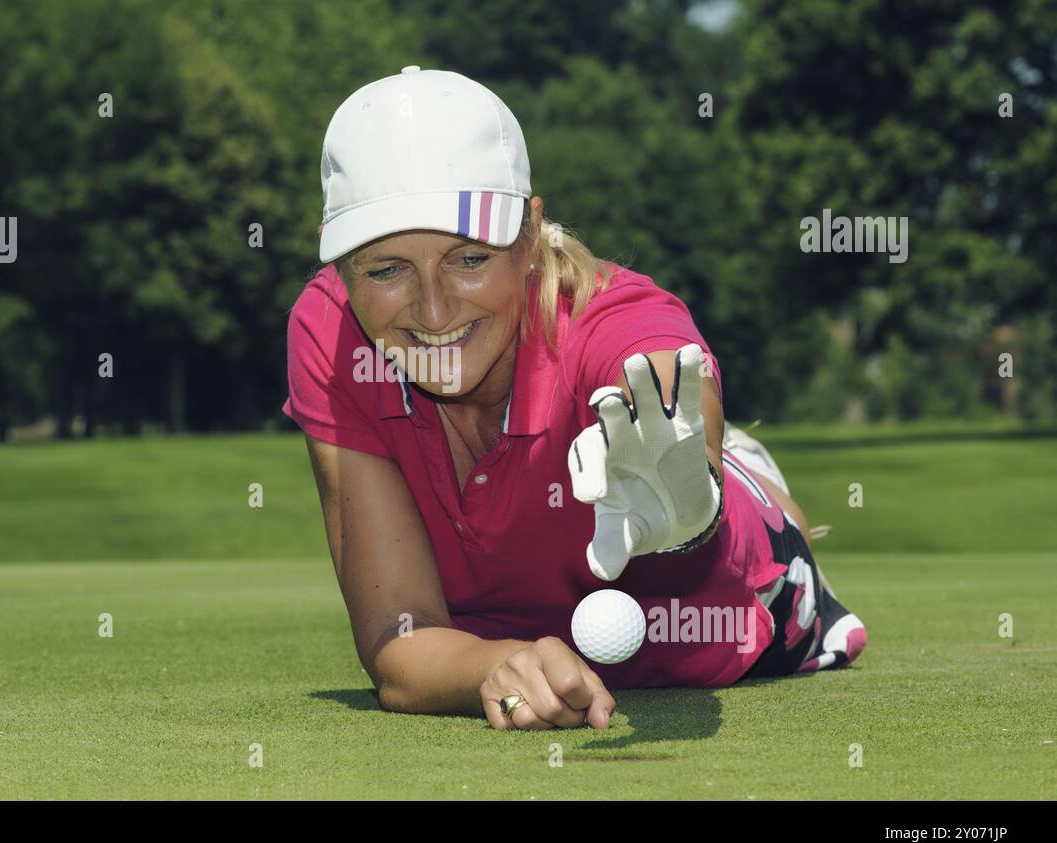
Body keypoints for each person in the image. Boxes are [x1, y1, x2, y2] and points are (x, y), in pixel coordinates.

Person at [282, 66, 867, 731]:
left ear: (530, 236)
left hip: (745, 609)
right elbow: (399, 638)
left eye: (470, 257)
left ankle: (743, 472)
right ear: (343, 272)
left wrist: (691, 500)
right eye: (386, 269)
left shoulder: (602, 317)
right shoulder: (328, 331)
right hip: (510, 627)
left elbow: (661, 370)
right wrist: (492, 667)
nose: (435, 307)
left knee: (690, 456)